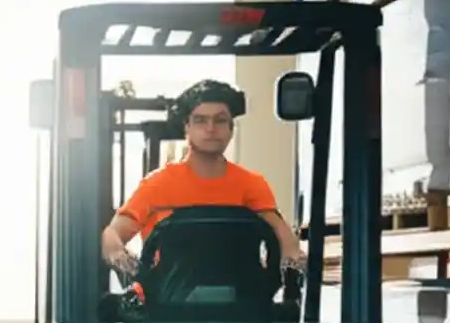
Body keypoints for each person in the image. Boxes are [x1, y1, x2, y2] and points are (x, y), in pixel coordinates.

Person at [100, 79, 306, 279]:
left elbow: (283, 235)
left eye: (220, 120)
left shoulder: (251, 184)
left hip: (239, 300)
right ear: (187, 128)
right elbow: (113, 233)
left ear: (231, 129)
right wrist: (117, 253)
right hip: (166, 303)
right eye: (200, 120)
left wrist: (293, 258)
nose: (210, 128)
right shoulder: (156, 184)